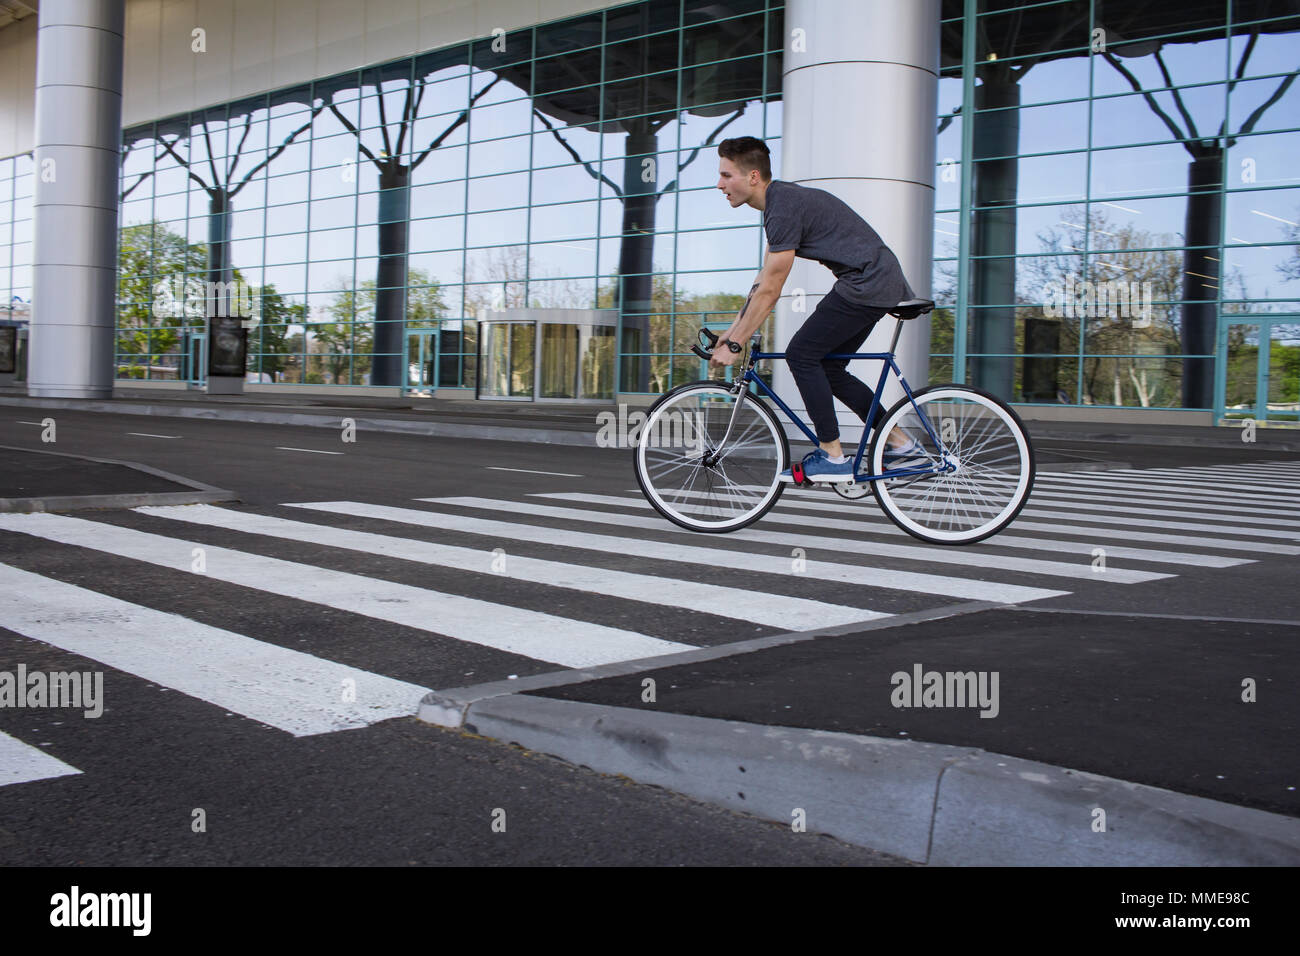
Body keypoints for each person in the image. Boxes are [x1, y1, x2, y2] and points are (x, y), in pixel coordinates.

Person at [708, 136, 924, 483]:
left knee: (801, 354)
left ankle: (832, 455)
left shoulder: (782, 206)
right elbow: (761, 283)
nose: (718, 184)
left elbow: (772, 289)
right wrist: (731, 335)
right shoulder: (781, 204)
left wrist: (736, 345)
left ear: (752, 177)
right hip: (874, 281)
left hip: (866, 282)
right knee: (830, 368)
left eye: (725, 175)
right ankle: (901, 445)